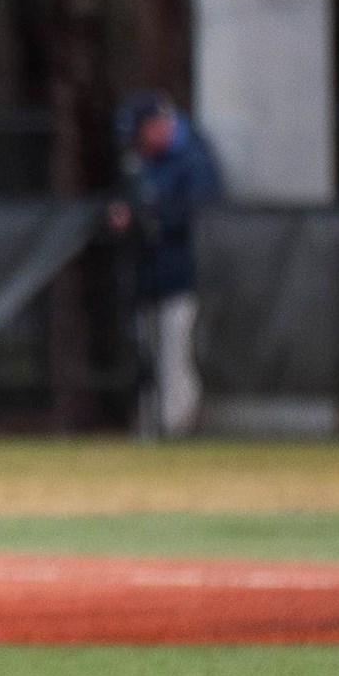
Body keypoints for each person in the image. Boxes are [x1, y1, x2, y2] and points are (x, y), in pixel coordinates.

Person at [109, 90, 223, 438]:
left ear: (157, 125)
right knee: (149, 353)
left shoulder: (193, 158)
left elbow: (199, 212)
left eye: (141, 133)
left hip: (183, 275)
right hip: (145, 276)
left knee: (176, 353)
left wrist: (152, 218)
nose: (137, 144)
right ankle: (152, 425)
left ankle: (174, 429)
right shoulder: (142, 162)